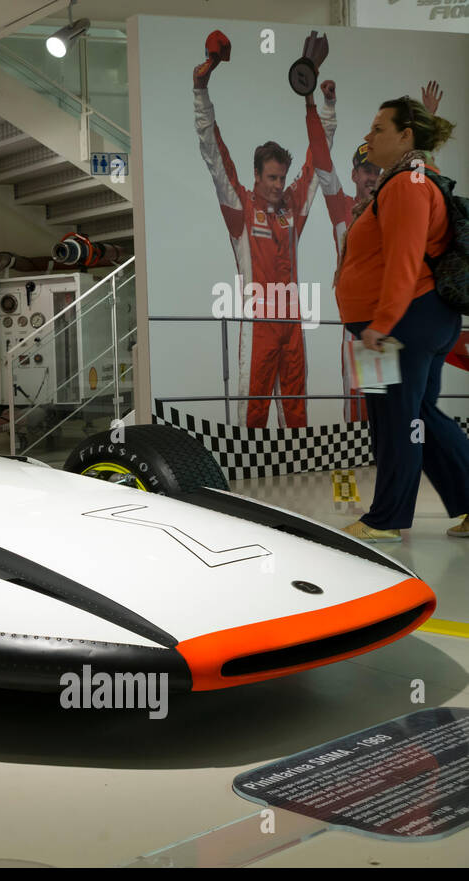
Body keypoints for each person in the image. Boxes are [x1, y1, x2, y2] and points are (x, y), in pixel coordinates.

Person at [335, 95, 469, 542]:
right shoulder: (406, 179)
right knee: (418, 416)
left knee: (398, 420)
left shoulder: (409, 184)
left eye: (377, 129)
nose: (367, 137)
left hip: (400, 323)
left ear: (405, 136)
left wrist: (383, 323)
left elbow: (404, 261)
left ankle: (387, 518)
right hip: (397, 322)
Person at [194, 33, 331, 429]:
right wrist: (200, 92)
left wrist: (322, 102)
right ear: (256, 175)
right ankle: (249, 482)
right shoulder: (240, 206)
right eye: (271, 177)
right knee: (252, 413)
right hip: (258, 326)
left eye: (281, 177)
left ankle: (299, 476)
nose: (277, 184)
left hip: (292, 325)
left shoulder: (291, 205)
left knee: (297, 411)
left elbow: (317, 163)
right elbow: (214, 155)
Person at [306, 80, 442, 421]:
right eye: (365, 170)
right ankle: (380, 460)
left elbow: (419, 168)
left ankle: (409, 464)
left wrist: (425, 119)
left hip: (388, 322)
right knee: (375, 408)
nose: (371, 176)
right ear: (353, 174)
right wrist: (320, 102)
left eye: (375, 170)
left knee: (402, 412)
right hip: (361, 326)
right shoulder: (343, 205)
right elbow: (320, 156)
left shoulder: (397, 194)